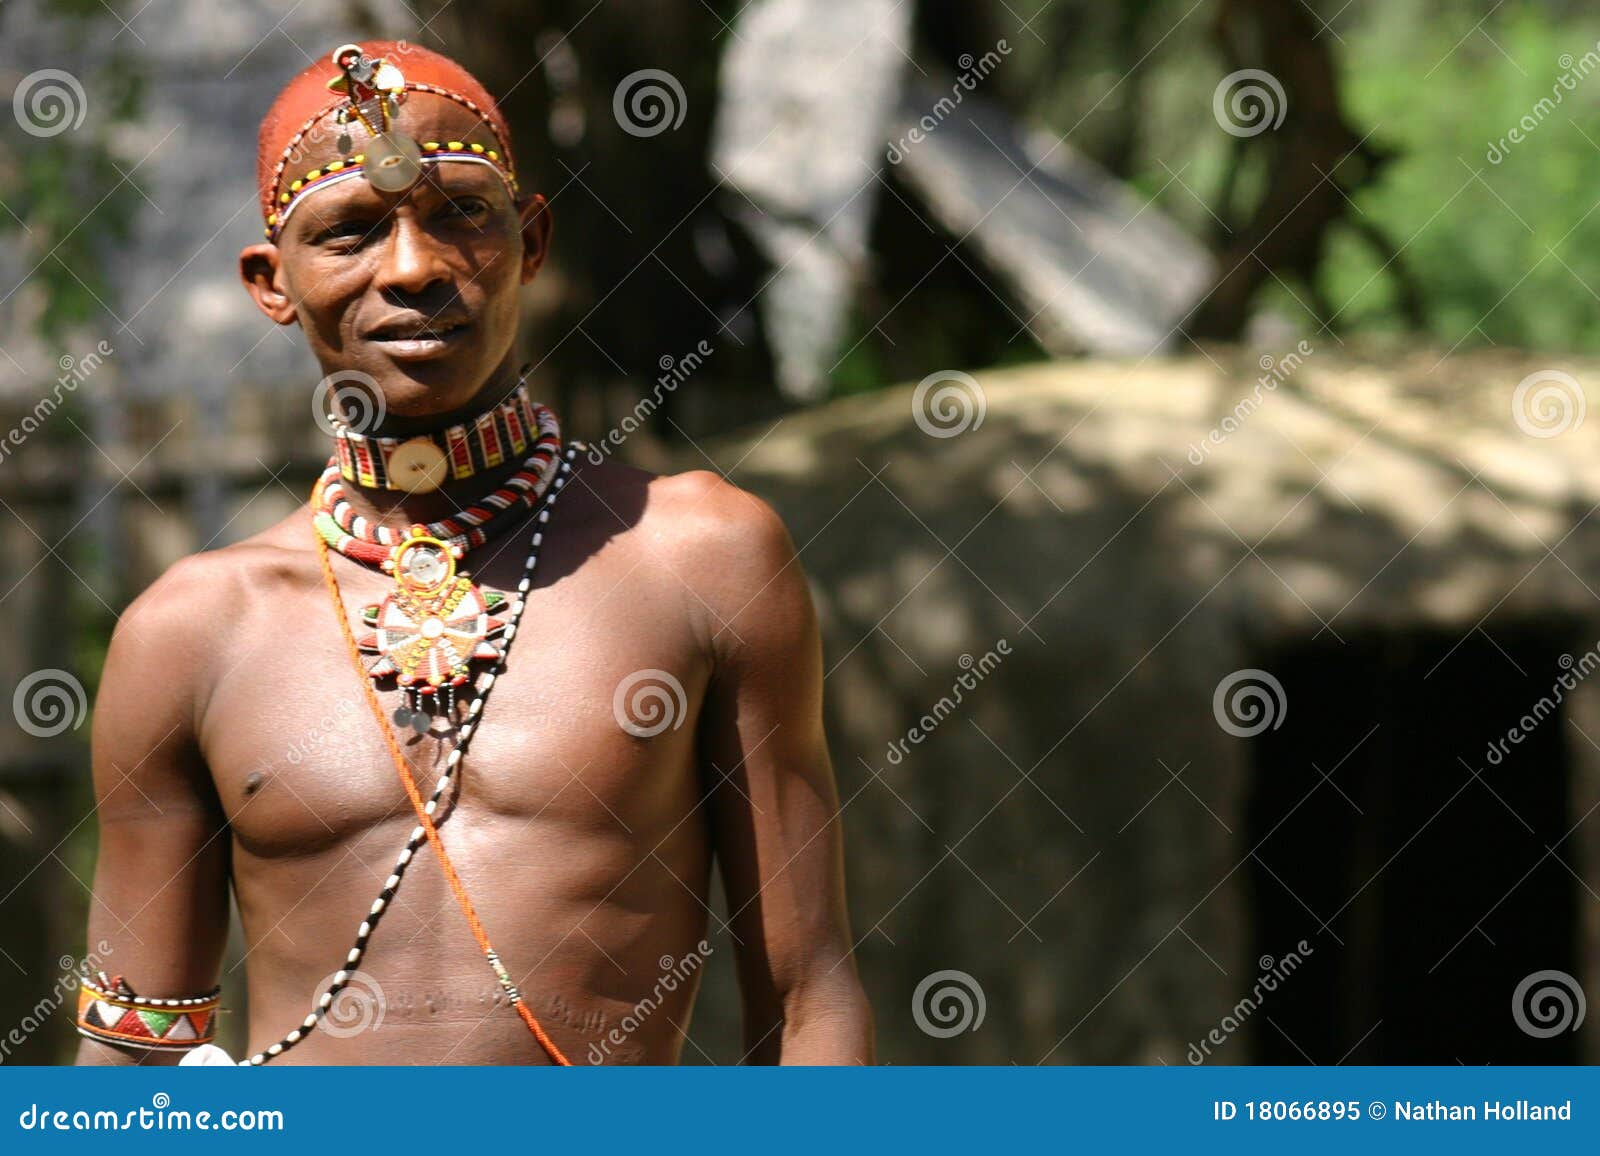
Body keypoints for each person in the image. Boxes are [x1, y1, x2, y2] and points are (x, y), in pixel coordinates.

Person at [74, 40, 872, 1066]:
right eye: (351, 231)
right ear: (273, 283)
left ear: (530, 240)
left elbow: (808, 1001)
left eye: (461, 213)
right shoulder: (187, 633)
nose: (413, 267)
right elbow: (132, 1060)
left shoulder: (703, 557)